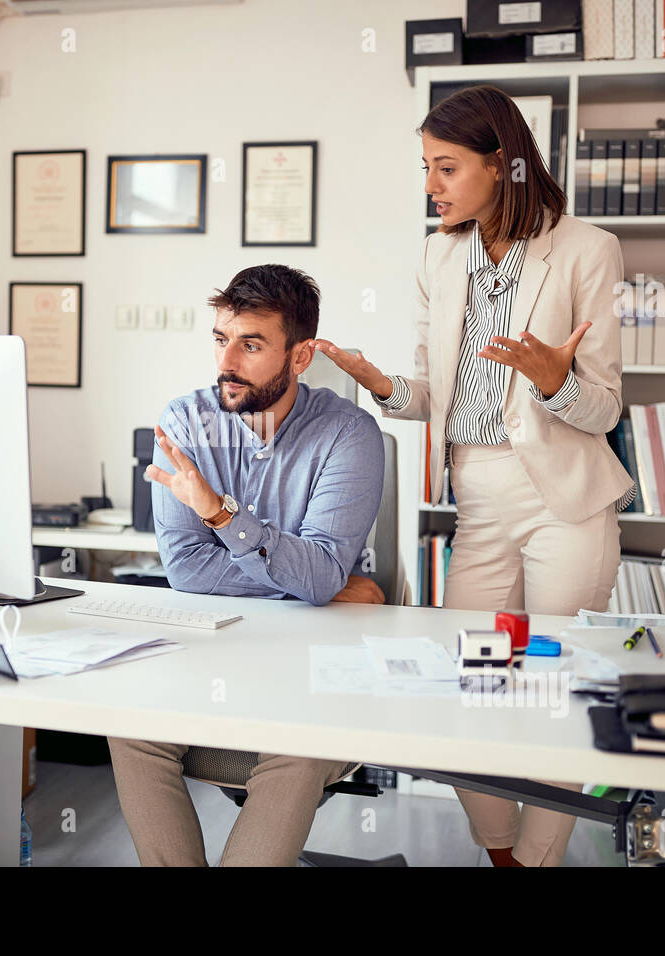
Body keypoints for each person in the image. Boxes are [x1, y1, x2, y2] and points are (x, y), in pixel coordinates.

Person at [314, 85, 637, 868]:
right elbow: (437, 397)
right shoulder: (439, 253)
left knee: (553, 694)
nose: (432, 185)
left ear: (502, 165)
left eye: (447, 167)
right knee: (472, 691)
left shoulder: (587, 249)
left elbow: (603, 408)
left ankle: (533, 862)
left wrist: (555, 380)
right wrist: (382, 383)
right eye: (427, 167)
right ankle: (501, 850)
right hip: (479, 499)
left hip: (565, 502)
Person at [107, 263, 386, 866]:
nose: (226, 361)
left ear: (302, 355)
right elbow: (187, 571)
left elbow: (315, 574)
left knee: (300, 742)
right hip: (215, 660)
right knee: (130, 725)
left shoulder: (349, 434)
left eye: (251, 344)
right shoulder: (186, 422)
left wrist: (220, 517)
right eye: (220, 338)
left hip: (307, 675)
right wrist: (318, 584)